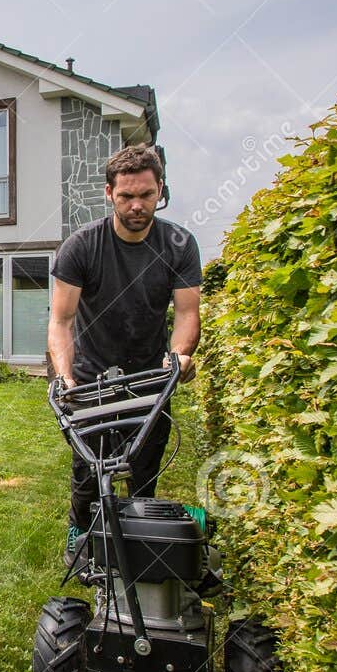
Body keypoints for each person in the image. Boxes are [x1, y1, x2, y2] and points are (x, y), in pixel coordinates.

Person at [46, 143, 202, 576]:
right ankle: (80, 535)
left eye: (146, 195)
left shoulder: (178, 244)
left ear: (161, 191)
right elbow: (61, 321)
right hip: (91, 376)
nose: (137, 205)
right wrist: (65, 379)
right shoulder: (81, 247)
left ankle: (135, 539)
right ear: (109, 193)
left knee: (144, 466)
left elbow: (187, 313)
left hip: (151, 376)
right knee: (89, 469)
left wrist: (180, 357)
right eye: (127, 196)